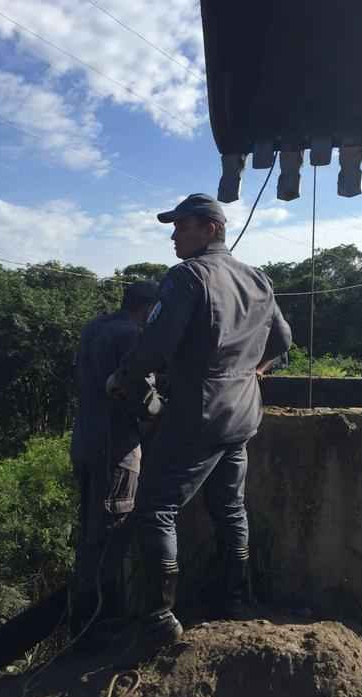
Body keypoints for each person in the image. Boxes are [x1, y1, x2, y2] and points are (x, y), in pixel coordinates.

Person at [106, 193, 292, 663]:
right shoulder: (258, 278)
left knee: (155, 509)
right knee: (230, 508)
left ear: (210, 228)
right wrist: (256, 369)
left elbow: (156, 346)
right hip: (243, 415)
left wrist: (122, 377)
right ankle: (235, 598)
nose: (173, 235)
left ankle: (158, 619)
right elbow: (285, 340)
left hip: (197, 417)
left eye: (181, 226)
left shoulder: (188, 276)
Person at [70, 280, 163, 640]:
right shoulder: (132, 336)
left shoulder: (95, 328)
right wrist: (162, 413)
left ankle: (80, 623)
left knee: (90, 533)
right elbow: (140, 395)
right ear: (151, 308)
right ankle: (102, 625)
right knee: (112, 533)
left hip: (85, 441)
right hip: (116, 449)